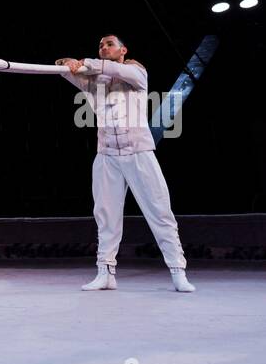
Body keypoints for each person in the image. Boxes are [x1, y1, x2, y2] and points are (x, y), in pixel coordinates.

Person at [57, 34, 194, 292]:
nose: (104, 47)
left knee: (159, 210)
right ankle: (105, 272)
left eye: (109, 44)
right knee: (105, 215)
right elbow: (66, 71)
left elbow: (116, 70)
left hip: (139, 152)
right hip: (107, 155)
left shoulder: (136, 71)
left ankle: (178, 270)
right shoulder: (93, 81)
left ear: (123, 50)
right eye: (100, 45)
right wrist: (67, 62)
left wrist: (84, 62)